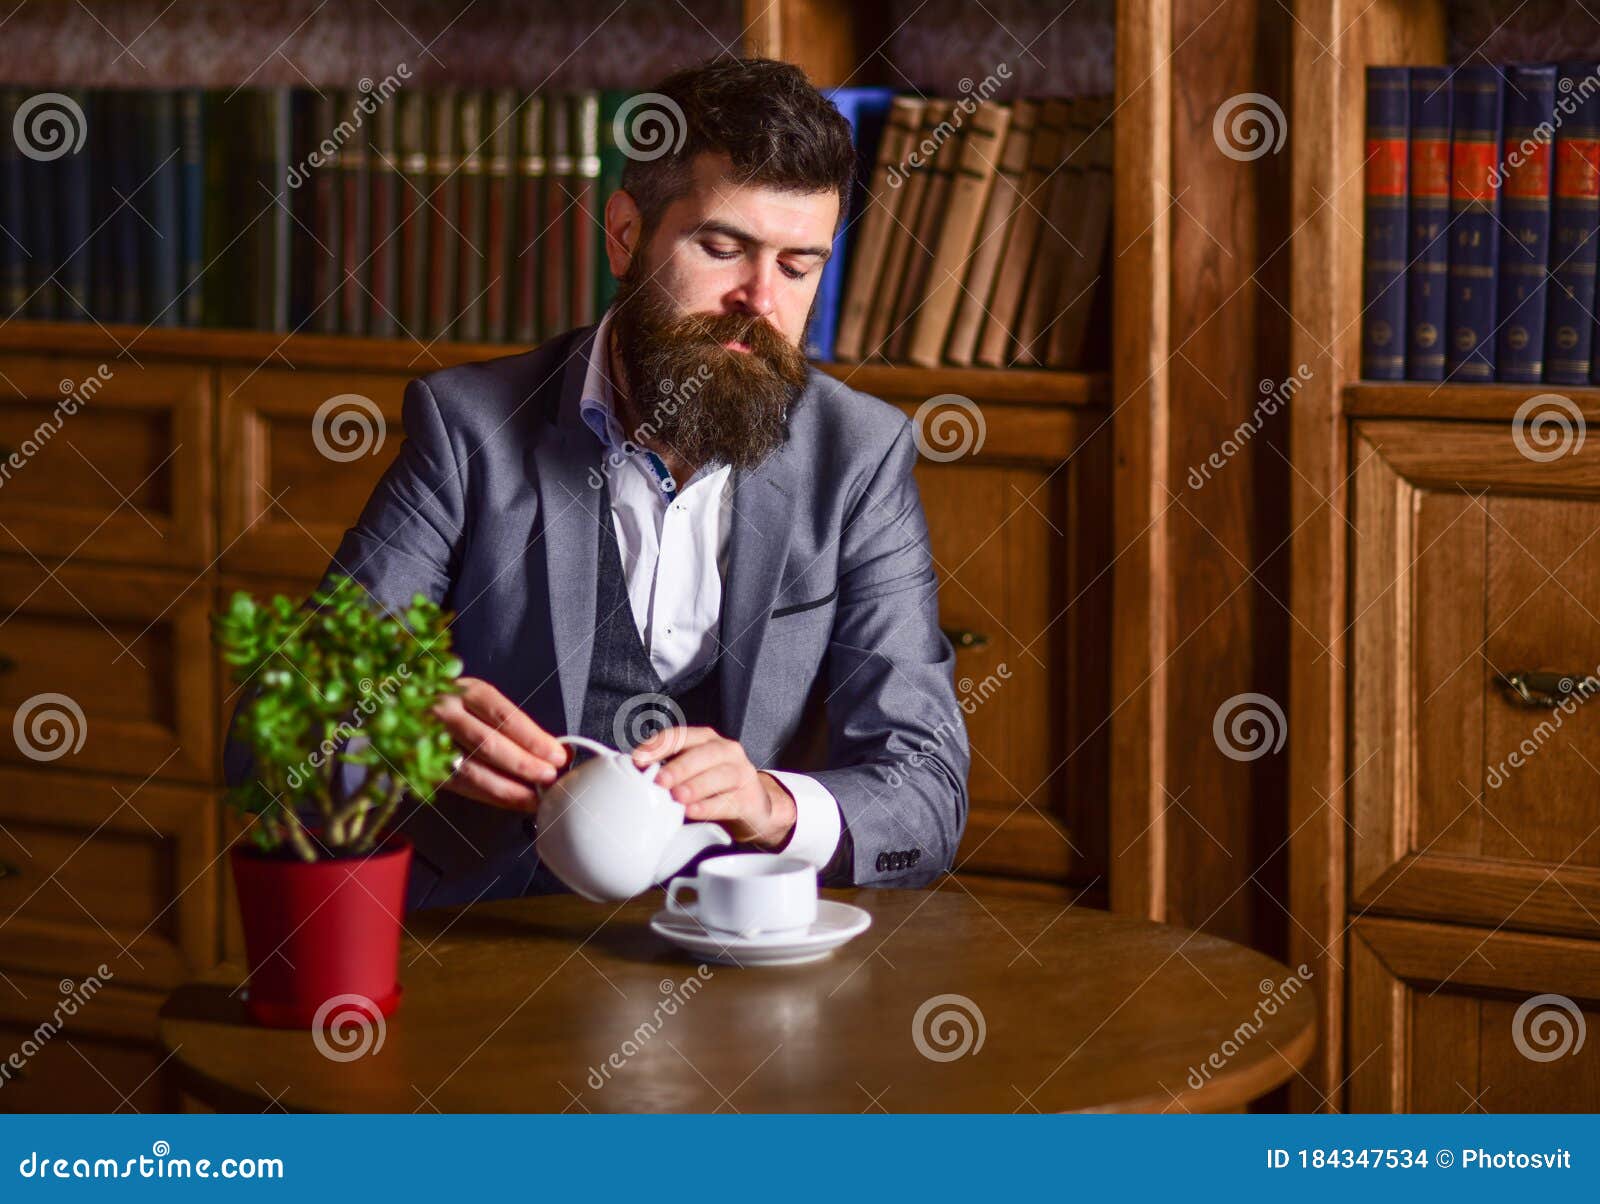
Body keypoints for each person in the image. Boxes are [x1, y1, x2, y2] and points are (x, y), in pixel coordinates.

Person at [227, 56, 969, 911]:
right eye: (722, 248)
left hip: (733, 951)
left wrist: (773, 805)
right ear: (625, 234)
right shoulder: (469, 430)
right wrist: (403, 729)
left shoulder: (861, 457)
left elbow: (927, 791)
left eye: (799, 267)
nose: (760, 301)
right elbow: (267, 739)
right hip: (490, 937)